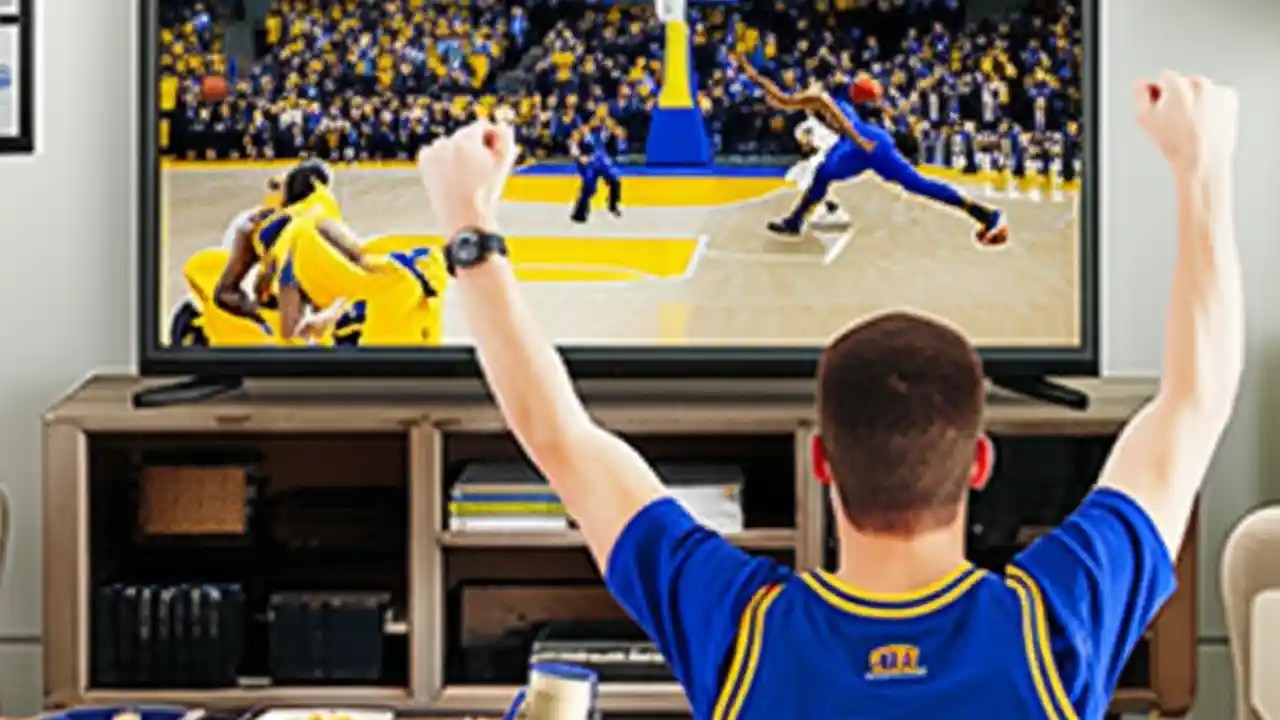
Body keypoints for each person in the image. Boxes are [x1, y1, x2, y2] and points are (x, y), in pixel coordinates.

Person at [416, 71, 1241, 719]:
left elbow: (560, 438)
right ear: (979, 461)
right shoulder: (1057, 624)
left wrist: (468, 221)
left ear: (820, 460)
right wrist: (1201, 170)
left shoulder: (746, 632)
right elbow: (1196, 401)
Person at [735, 57, 1008, 245]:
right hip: (857, 143)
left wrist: (859, 140)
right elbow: (783, 99)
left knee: (916, 184)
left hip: (865, 144)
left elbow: (840, 122)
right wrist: (754, 77)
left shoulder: (820, 98)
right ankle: (795, 221)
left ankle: (984, 213)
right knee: (822, 173)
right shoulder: (825, 96)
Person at [569, 107, 625, 224]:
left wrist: (615, 132)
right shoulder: (580, 132)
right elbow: (573, 147)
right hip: (588, 161)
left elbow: (619, 135)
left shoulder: (606, 127)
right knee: (589, 187)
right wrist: (579, 157)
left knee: (615, 179)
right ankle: (580, 213)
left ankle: (613, 204)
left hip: (602, 159)